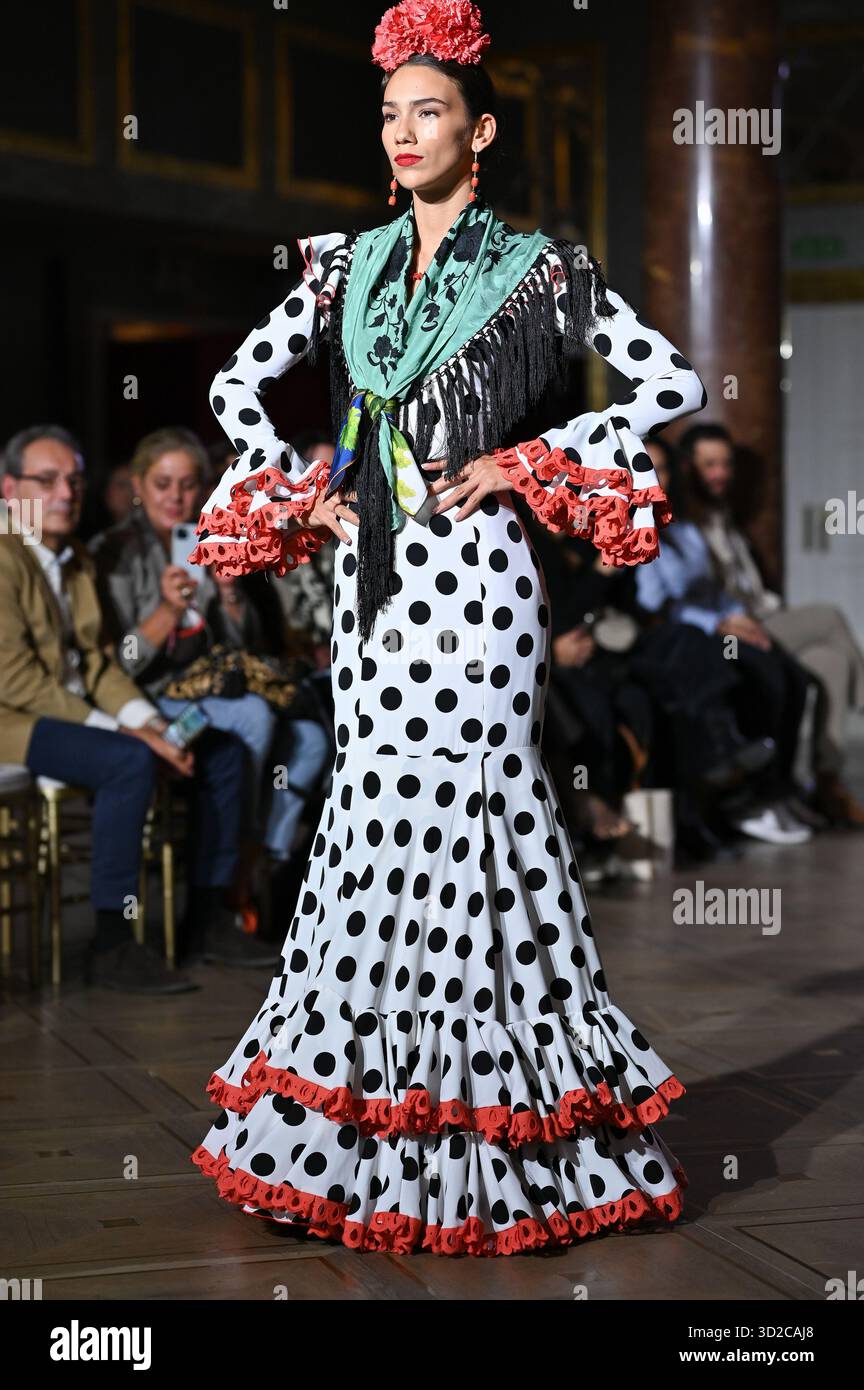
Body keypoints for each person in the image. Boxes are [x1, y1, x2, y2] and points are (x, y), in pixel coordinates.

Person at [186, 1, 706, 1257]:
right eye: (389, 114)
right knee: (371, 827)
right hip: (373, 594)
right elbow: (230, 387)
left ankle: (508, 1143)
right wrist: (297, 483)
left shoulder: (543, 269)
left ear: (480, 131)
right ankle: (360, 1139)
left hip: (478, 589)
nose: (403, 132)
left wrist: (531, 459)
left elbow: (672, 384)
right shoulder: (339, 264)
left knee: (474, 823)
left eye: (428, 111)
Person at [0, 424, 248, 994]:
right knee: (128, 761)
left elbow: (99, 665)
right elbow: (17, 681)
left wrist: (151, 722)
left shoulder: (77, 559)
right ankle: (112, 944)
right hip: (16, 720)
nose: (66, 493)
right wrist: (126, 734)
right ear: (11, 489)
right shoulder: (9, 555)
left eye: (74, 480)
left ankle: (208, 918)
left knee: (220, 748)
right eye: (48, 480)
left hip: (70, 709)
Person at [89, 428, 328, 963]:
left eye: (188, 484)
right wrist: (168, 613)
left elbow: (237, 656)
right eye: (162, 483)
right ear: (138, 485)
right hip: (154, 706)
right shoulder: (113, 554)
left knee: (311, 739)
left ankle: (256, 861)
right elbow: (119, 662)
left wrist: (229, 597)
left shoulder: (210, 539)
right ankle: (220, 894)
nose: (174, 496)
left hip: (215, 695)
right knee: (252, 719)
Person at [678, 421, 864, 828]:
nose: (720, 473)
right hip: (737, 627)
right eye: (710, 464)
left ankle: (825, 782)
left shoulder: (723, 515)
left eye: (725, 464)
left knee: (832, 662)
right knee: (829, 615)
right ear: (689, 468)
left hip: (763, 614)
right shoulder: (682, 524)